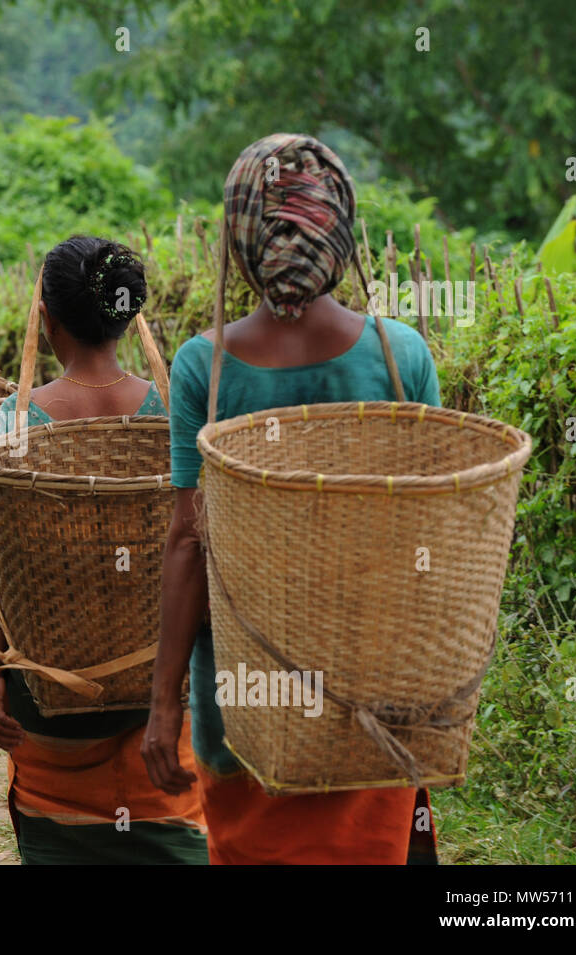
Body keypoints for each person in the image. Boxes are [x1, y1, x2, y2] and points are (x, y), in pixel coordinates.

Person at [143, 133, 443, 864]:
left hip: (246, 707)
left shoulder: (204, 367)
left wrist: (162, 705)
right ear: (339, 232)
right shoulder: (400, 356)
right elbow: (430, 539)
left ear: (241, 240)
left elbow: (188, 540)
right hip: (372, 698)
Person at [0, 236, 209, 864]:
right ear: (128, 315)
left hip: (55, 703)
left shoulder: (20, 418)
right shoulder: (171, 410)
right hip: (164, 683)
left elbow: (1, 559)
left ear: (45, 320)